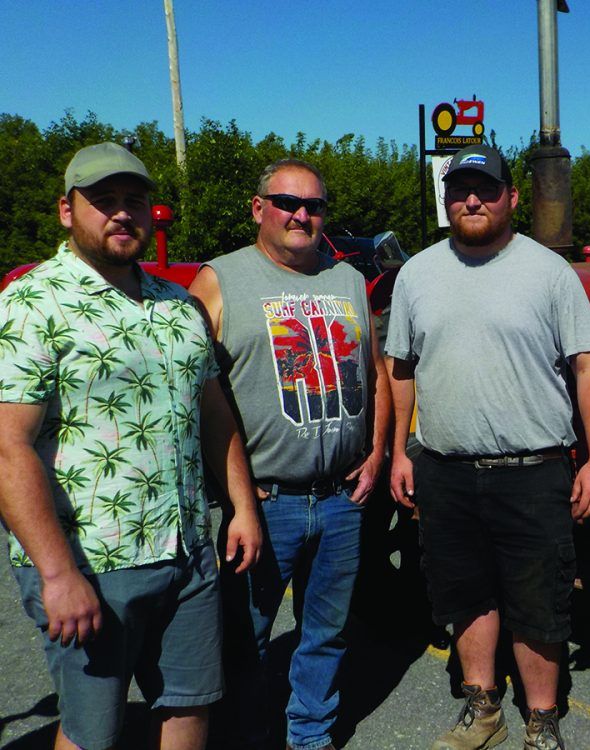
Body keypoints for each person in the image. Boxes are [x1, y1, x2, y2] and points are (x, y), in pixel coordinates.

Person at [0, 142, 262, 750]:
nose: (123, 214)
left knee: (189, 708)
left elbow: (214, 414)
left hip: (188, 551)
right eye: (104, 201)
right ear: (68, 211)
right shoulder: (32, 303)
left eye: (135, 201)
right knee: (93, 730)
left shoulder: (178, 306)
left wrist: (242, 506)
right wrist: (58, 572)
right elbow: (7, 447)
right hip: (91, 561)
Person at [385, 144, 590, 750]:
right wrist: (401, 450)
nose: (473, 199)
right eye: (460, 189)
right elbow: (400, 368)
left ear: (511, 197)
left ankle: (542, 723)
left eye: (486, 188)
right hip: (445, 470)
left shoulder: (549, 273)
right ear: (447, 200)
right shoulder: (418, 275)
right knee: (465, 592)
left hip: (532, 470)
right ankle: (483, 709)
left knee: (539, 603)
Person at [189, 158, 389, 750]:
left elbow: (375, 373)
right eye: (287, 202)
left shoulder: (347, 280)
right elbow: (196, 397)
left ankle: (310, 736)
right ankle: (247, 737)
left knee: (325, 633)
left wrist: (377, 453)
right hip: (263, 501)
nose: (302, 215)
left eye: (314, 206)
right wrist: (234, 498)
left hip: (341, 499)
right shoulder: (219, 281)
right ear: (259, 209)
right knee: (243, 638)